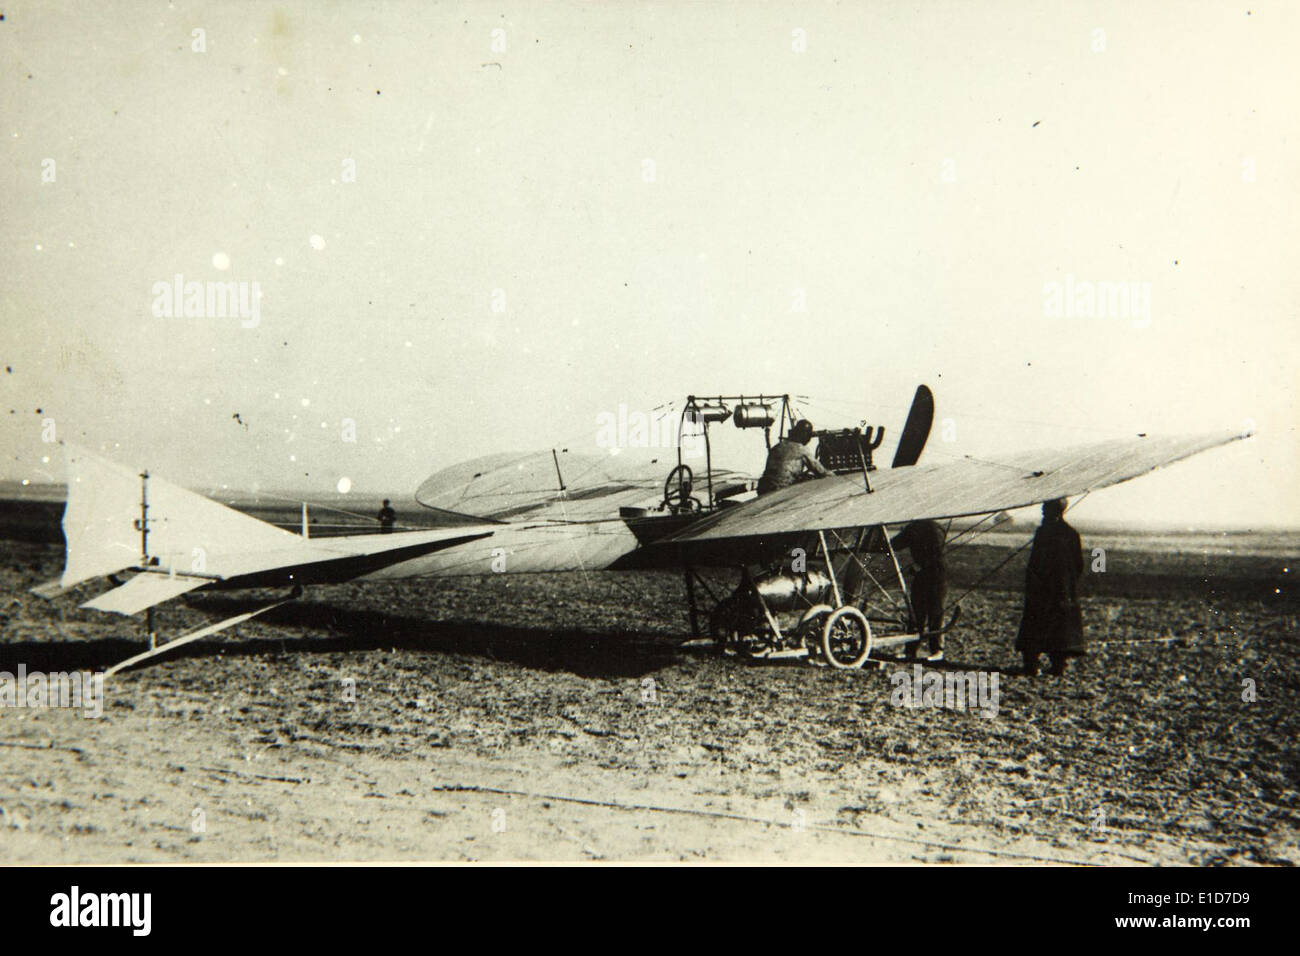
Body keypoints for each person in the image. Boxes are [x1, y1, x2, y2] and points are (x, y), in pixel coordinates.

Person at [1016, 498, 1085, 676]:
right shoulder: (1071, 533)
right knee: (1059, 628)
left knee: (1036, 625)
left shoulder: (1044, 532)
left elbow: (1036, 562)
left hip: (1043, 590)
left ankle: (1033, 664)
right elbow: (1079, 565)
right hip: (1062, 591)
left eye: (1046, 509)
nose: (1043, 513)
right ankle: (1057, 665)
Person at [891, 520, 948, 661]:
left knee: (935, 612)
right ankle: (910, 650)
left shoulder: (933, 529)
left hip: (936, 573)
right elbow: (894, 544)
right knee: (916, 613)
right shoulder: (914, 528)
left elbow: (936, 553)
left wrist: (923, 566)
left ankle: (937, 651)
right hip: (922, 573)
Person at [756, 419, 830, 496]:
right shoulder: (801, 449)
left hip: (763, 488)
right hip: (781, 488)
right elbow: (822, 472)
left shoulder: (777, 447)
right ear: (804, 435)